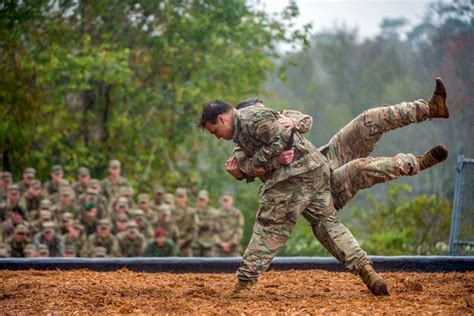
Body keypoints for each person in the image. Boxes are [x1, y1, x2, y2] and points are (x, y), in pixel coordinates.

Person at [199, 99, 388, 297]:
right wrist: (249, 167)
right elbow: (244, 165)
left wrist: (263, 162)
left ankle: (242, 287)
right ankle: (369, 273)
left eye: (214, 131)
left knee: (268, 229)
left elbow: (282, 140)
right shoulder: (240, 136)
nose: (217, 137)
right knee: (328, 225)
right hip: (314, 172)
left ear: (222, 119)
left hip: (294, 177)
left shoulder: (253, 118)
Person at [231, 79, 449, 210]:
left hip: (326, 156)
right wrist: (252, 168)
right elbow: (248, 169)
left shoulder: (278, 117)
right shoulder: (243, 146)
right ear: (249, 119)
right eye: (260, 112)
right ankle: (416, 163)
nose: (267, 115)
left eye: (265, 110)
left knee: (368, 119)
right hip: (322, 188)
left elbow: (307, 120)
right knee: (361, 167)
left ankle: (429, 108)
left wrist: (293, 121)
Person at [172, 188, 198, 257]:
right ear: (176, 198)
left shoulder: (191, 212)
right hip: (172, 245)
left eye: (182, 197)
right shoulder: (170, 211)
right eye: (179, 197)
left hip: (186, 246)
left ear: (186, 198)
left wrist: (185, 239)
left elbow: (194, 229)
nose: (181, 199)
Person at [193, 190, 218, 257]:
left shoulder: (212, 212)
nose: (201, 202)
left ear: (207, 200)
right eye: (199, 199)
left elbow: (208, 225)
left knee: (209, 265)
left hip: (208, 245)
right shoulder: (193, 212)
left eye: (202, 200)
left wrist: (198, 223)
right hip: (196, 245)